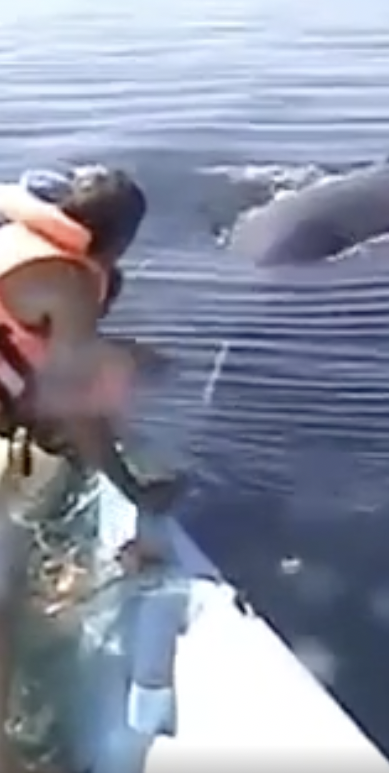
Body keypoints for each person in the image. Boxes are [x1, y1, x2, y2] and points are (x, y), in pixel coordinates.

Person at [0, 165, 183, 772]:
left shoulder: (16, 242)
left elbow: (25, 347)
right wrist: (129, 484)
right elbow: (76, 407)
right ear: (118, 243)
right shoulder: (71, 283)